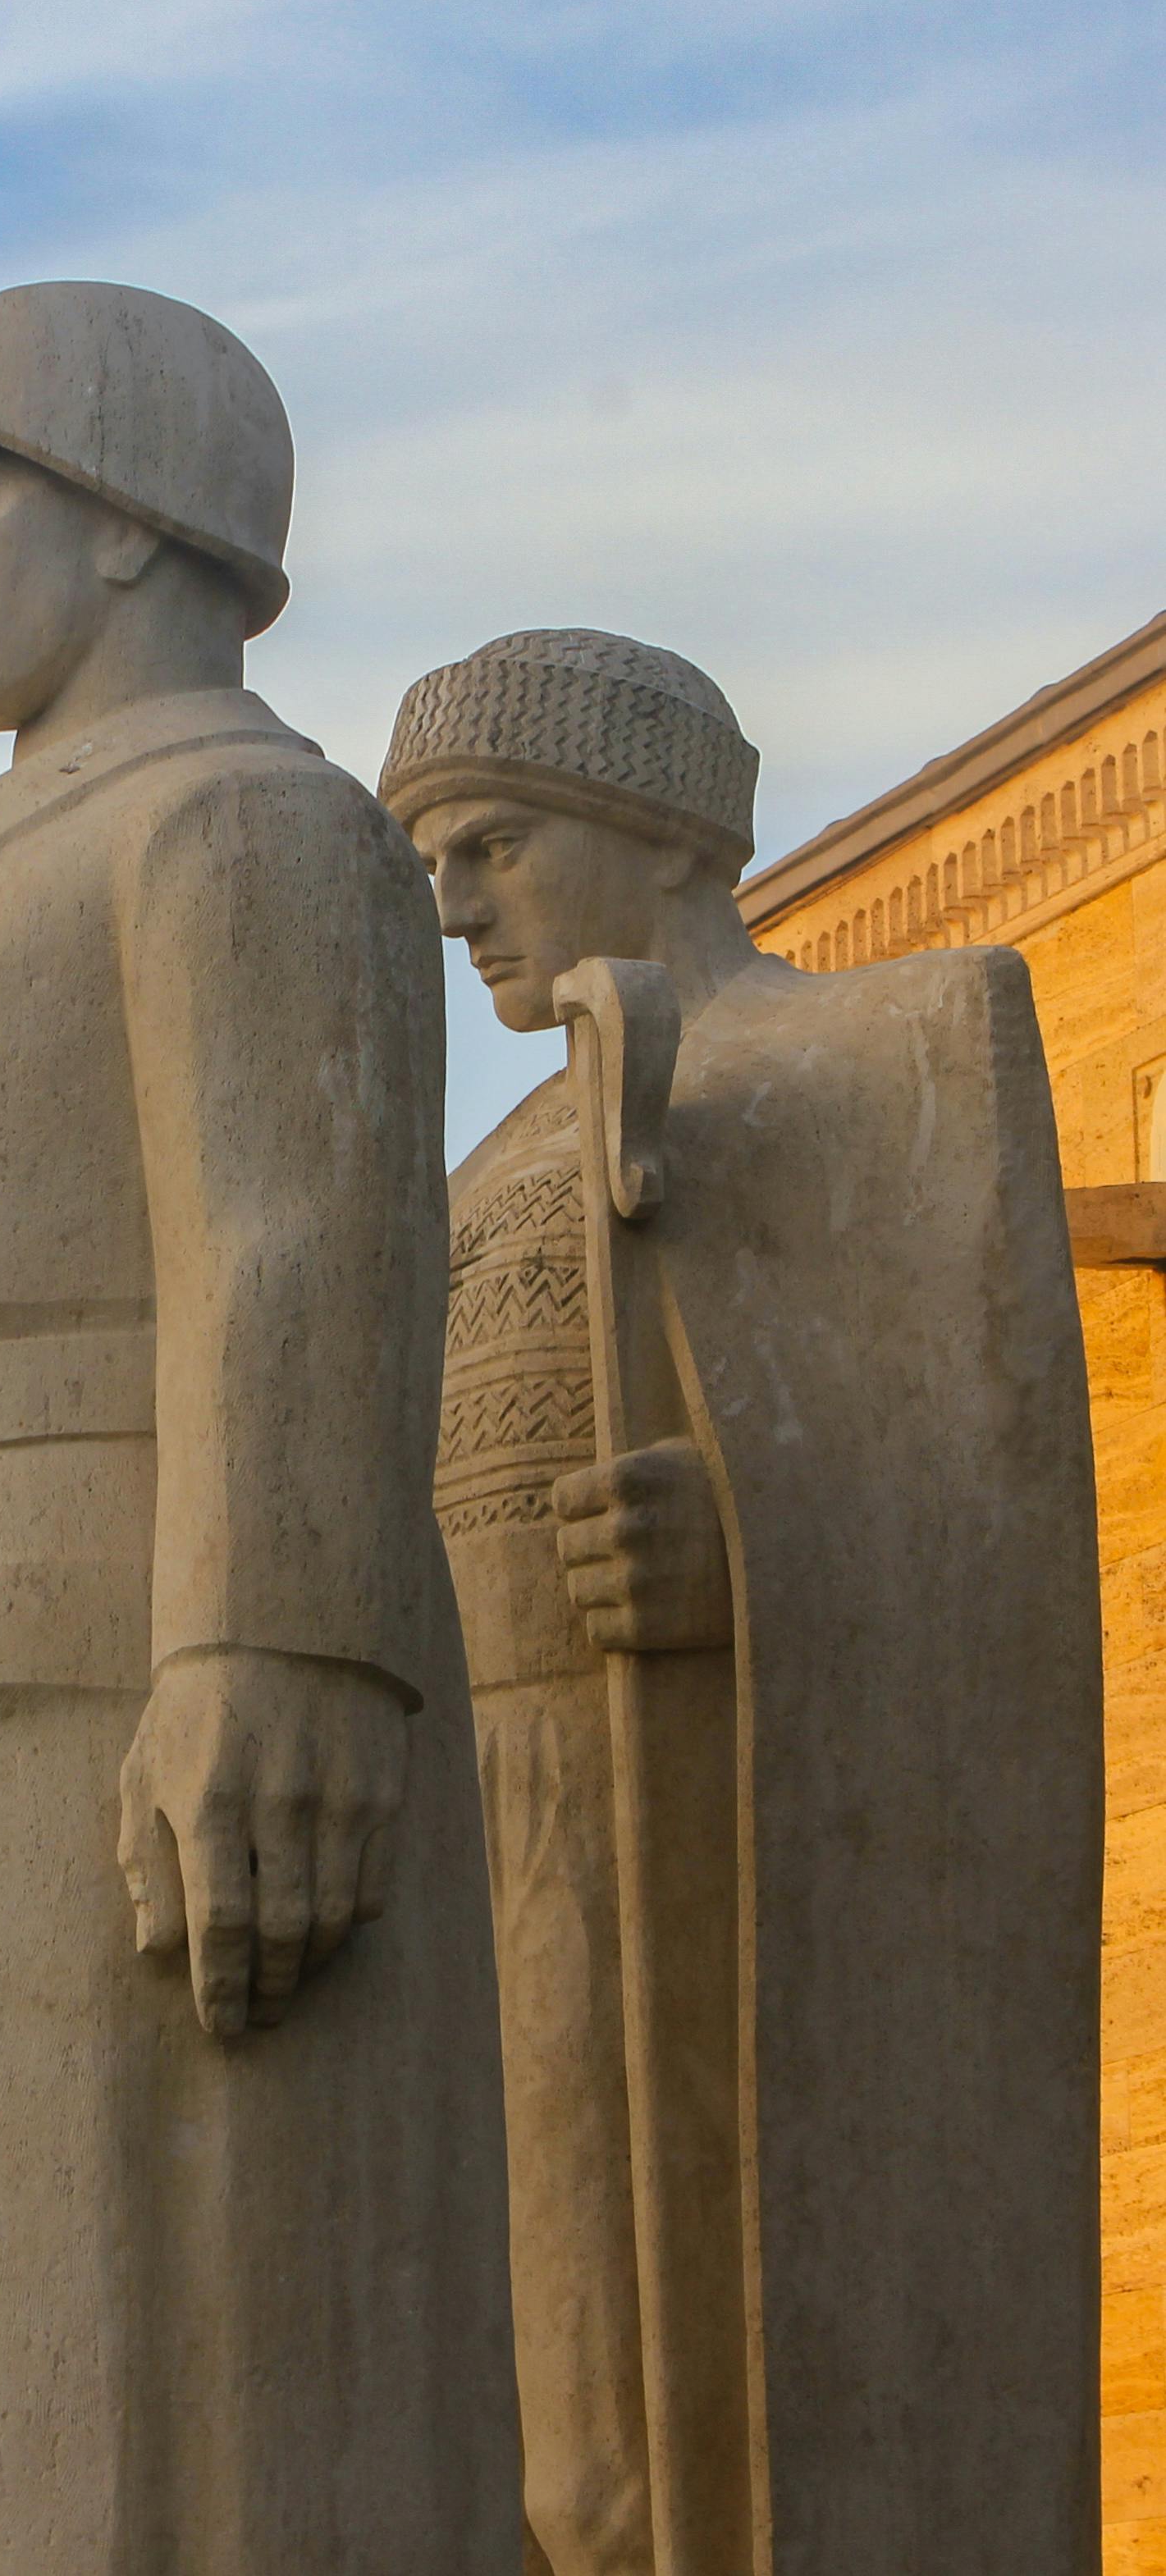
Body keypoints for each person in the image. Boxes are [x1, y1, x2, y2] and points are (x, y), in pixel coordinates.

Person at [0, 281, 522, 2574]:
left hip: (122, 1606)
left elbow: (294, 1237)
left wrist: (274, 1649)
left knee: (158, 2322)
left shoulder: (250, 820)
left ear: (128, 522)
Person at [380, 628, 1101, 2576]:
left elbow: (1002, 1497)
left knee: (650, 2460)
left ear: (667, 830)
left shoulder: (892, 1056)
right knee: (520, 2446)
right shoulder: (478, 1178)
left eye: (493, 845)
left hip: (707, 1818)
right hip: (486, 1831)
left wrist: (759, 1544)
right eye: (432, 861)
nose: (452, 907)